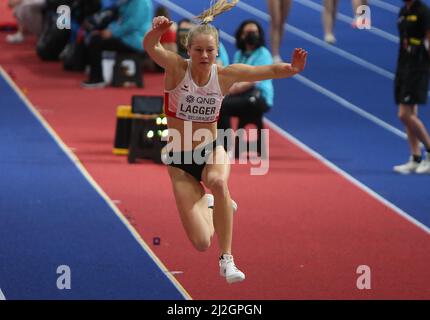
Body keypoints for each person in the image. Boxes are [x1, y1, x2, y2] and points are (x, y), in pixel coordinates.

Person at [143, 0, 307, 283]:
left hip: (211, 149)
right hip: (179, 161)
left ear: (218, 51)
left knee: (219, 182)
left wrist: (291, 68)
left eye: (210, 50)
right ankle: (211, 204)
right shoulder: (176, 69)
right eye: (198, 50)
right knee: (201, 241)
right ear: (188, 50)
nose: (204, 56)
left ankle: (227, 260)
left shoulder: (226, 75)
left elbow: (265, 71)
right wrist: (156, 31)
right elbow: (151, 48)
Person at [217, 20, 273, 156]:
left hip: (259, 98)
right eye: (248, 32)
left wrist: (232, 90)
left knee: (222, 105)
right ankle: (219, 145)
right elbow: (233, 76)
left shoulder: (263, 53)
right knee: (217, 104)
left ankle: (226, 147)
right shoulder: (239, 54)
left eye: (254, 32)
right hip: (242, 96)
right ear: (241, 35)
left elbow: (253, 80)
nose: (251, 35)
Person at [393, 0, 430, 174]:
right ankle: (415, 157)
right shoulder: (403, 11)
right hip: (404, 65)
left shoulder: (423, 11)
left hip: (418, 66)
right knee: (410, 115)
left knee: (404, 114)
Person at [81, 0, 153, 88]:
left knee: (96, 42)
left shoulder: (140, 2)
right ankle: (96, 78)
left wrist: (112, 33)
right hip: (126, 38)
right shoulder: (128, 2)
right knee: (96, 38)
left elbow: (132, 24)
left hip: (134, 41)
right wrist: (106, 31)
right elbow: (119, 20)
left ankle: (97, 79)